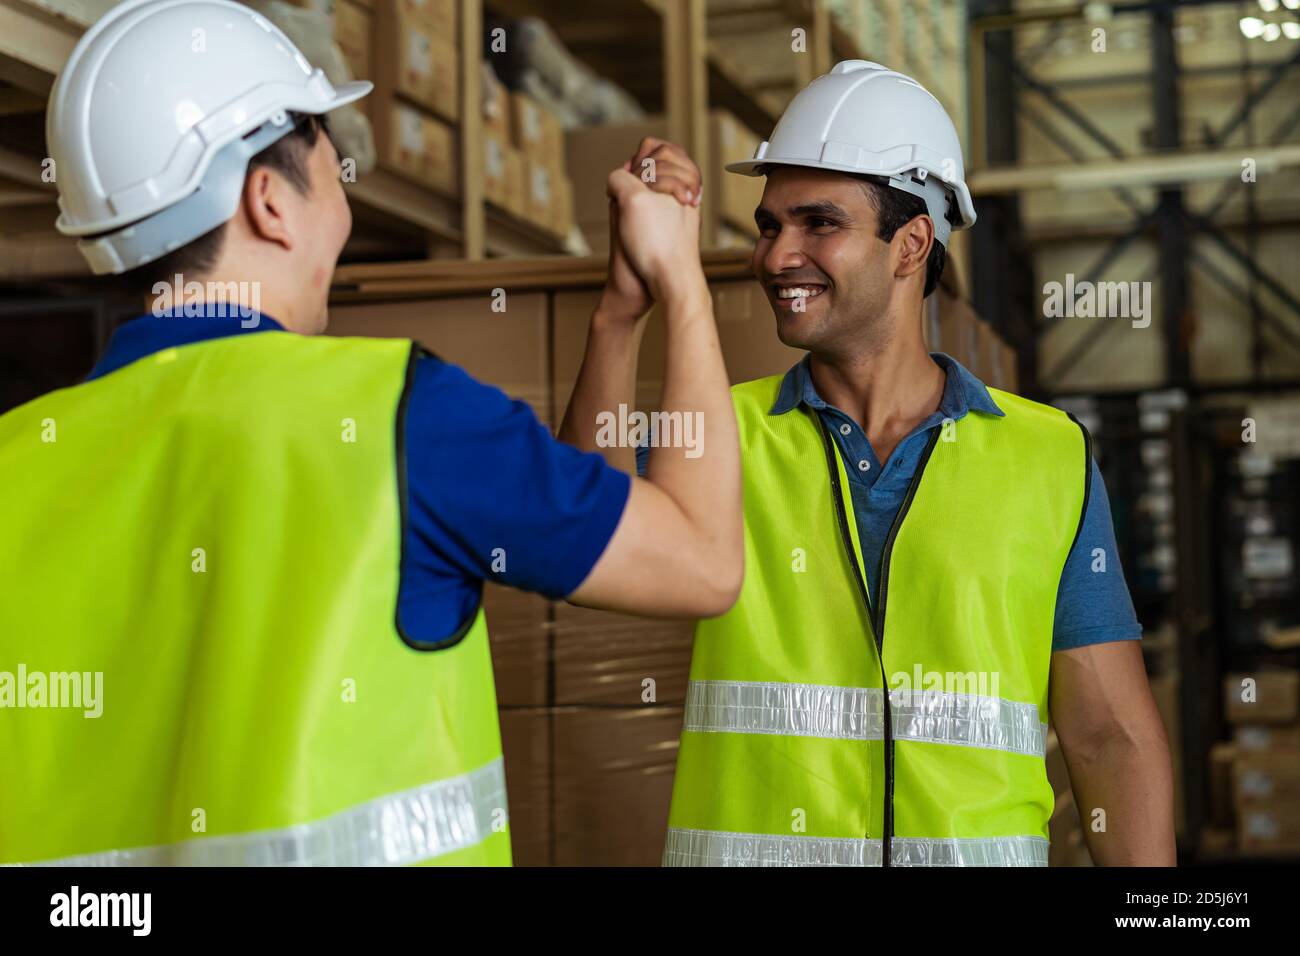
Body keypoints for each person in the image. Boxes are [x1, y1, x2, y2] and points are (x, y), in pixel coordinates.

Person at [0, 0, 740, 866]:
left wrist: (619, 317)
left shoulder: (20, 456)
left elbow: (578, 523)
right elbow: (697, 558)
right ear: (269, 200)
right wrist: (682, 281)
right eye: (329, 153)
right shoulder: (399, 412)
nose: (343, 188)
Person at [563, 60, 1175, 866]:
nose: (778, 255)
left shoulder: (1046, 453)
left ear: (911, 243)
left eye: (819, 223)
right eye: (768, 225)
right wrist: (622, 307)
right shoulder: (723, 431)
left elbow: (1109, 736)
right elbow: (579, 536)